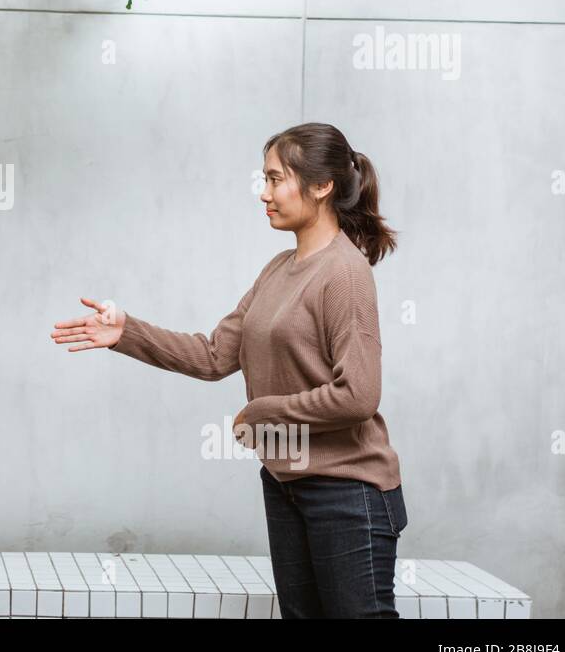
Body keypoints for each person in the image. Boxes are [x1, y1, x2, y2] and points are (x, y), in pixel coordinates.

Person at [51, 122, 408, 618]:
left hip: (348, 492)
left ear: (322, 186)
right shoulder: (278, 269)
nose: (263, 193)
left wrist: (261, 414)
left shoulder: (345, 274)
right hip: (287, 483)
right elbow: (215, 354)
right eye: (264, 180)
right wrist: (127, 331)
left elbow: (358, 395)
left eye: (275, 179)